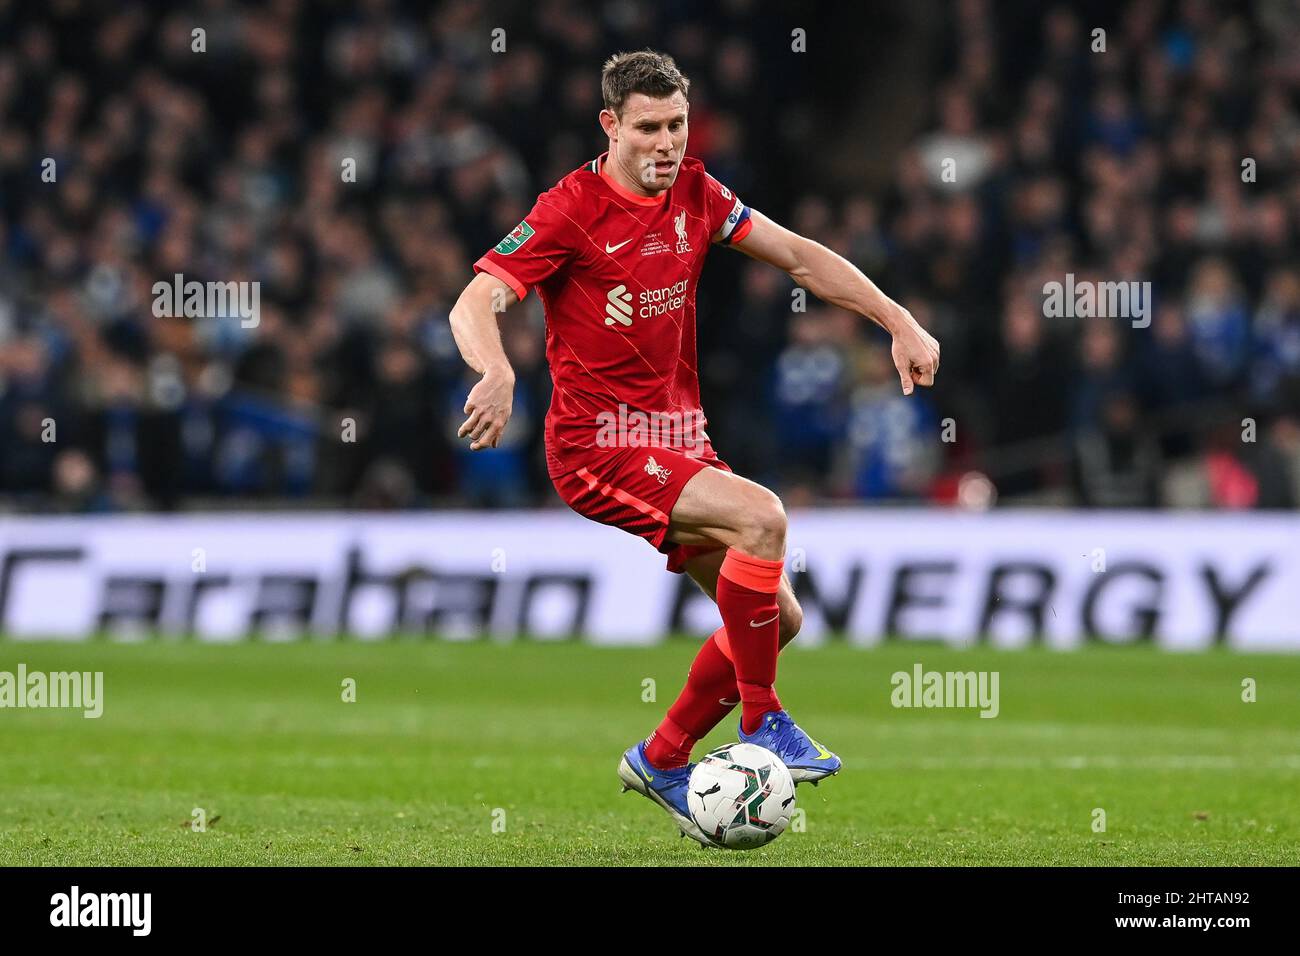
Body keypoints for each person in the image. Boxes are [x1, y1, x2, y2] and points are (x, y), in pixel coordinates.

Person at [448, 50, 940, 843]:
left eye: (676, 124)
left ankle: (663, 755)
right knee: (765, 520)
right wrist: (496, 367)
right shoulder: (569, 210)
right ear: (611, 126)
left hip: (677, 441)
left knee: (776, 621)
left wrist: (898, 319)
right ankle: (765, 721)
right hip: (597, 447)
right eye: (648, 128)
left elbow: (799, 257)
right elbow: (476, 301)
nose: (666, 143)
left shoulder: (695, 192)